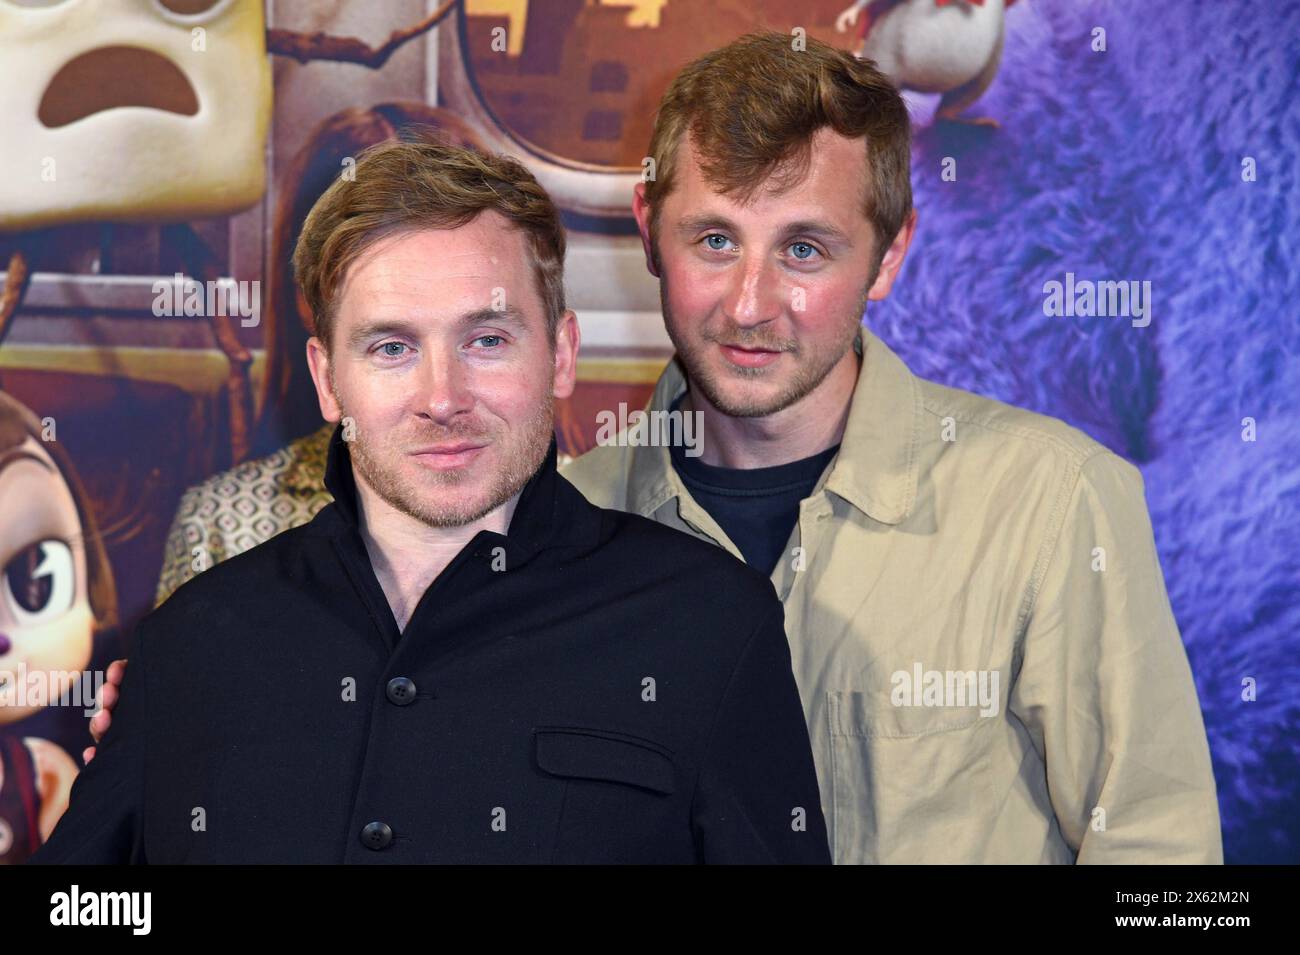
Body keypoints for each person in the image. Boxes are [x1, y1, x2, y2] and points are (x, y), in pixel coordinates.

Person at [29, 137, 829, 864]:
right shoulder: (190, 641)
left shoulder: (712, 626)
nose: (442, 397)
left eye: (487, 339)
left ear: (560, 353)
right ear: (327, 380)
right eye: (391, 347)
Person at [558, 32, 1221, 863]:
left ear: (889, 255)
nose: (751, 304)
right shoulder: (561, 527)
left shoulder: (1052, 503)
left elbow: (1171, 875)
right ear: (651, 232)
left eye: (804, 249)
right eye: (716, 241)